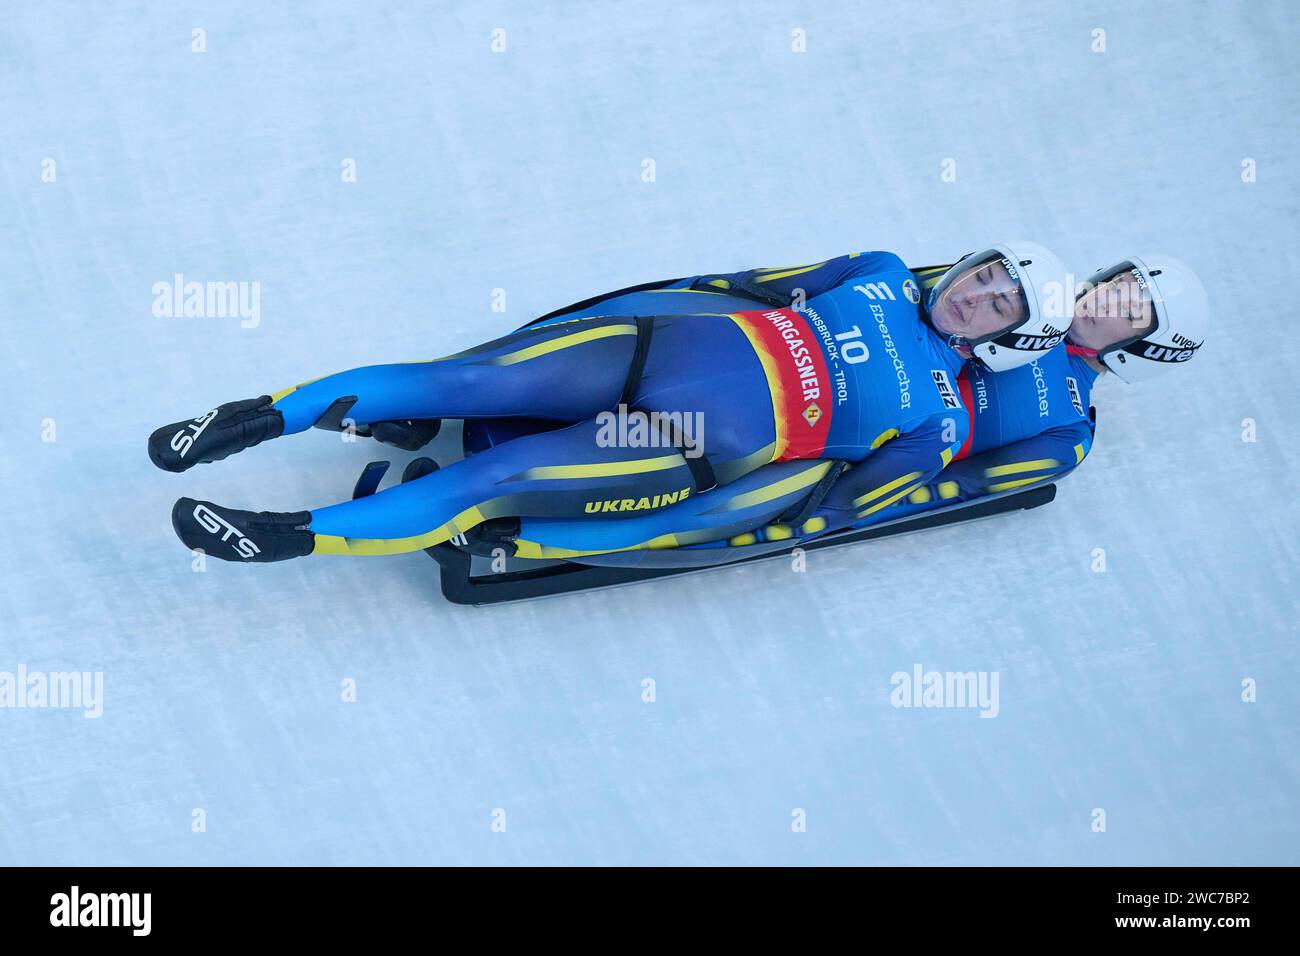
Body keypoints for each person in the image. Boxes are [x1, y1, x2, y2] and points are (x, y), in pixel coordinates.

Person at [148, 243, 1069, 563]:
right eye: (984, 273)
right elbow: (746, 284)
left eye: (997, 302)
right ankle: (253, 417)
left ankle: (285, 535)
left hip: (676, 436)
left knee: (499, 473)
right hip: (655, 349)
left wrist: (705, 521)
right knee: (465, 380)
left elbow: (830, 508)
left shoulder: (941, 420)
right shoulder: (875, 271)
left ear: (1006, 339)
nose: (973, 292)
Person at [499, 254, 1206, 559]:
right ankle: (514, 370)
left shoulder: (1067, 433)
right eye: (1118, 284)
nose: (1105, 301)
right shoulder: (1014, 290)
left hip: (841, 455)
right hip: (793, 371)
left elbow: (949, 489)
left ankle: (519, 539)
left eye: (1129, 310)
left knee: (739, 501)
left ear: (1141, 349)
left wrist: (821, 519)